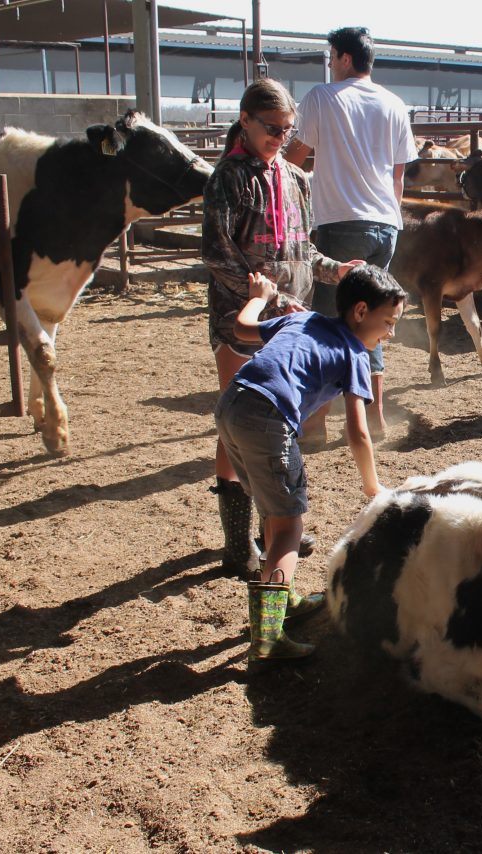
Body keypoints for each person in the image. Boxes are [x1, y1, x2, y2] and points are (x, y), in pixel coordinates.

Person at [203, 78, 363, 579]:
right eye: (272, 128)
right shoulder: (228, 177)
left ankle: (273, 525)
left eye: (287, 130)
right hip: (243, 316)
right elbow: (217, 253)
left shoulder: (295, 177)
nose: (280, 137)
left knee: (280, 420)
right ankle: (238, 542)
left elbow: (303, 249)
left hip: (290, 316)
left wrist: (336, 270)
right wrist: (269, 297)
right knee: (237, 417)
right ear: (245, 120)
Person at [214, 265, 406, 663]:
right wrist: (373, 486)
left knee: (274, 514)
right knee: (289, 529)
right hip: (269, 418)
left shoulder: (302, 319)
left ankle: (284, 598)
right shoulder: (355, 354)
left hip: (231, 407)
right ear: (360, 311)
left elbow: (242, 330)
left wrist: (259, 298)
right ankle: (268, 639)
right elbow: (358, 432)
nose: (390, 333)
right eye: (388, 322)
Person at [285, 26, 420, 443]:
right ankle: (374, 420)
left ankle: (315, 424)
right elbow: (398, 175)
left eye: (331, 58)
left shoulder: (322, 98)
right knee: (372, 320)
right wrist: (389, 217)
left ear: (344, 58)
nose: (330, 65)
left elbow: (292, 158)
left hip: (340, 223)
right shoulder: (394, 104)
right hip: (385, 225)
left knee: (329, 322)